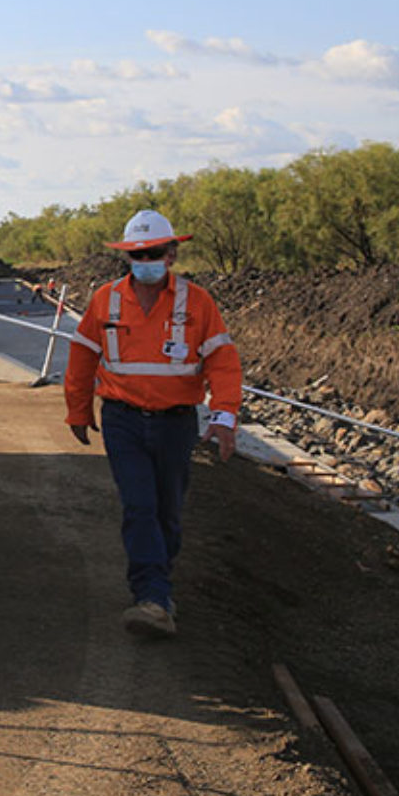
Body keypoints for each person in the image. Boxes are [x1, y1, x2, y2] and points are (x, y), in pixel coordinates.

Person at [64, 209, 241, 638]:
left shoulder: (197, 303)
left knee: (168, 513)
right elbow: (83, 356)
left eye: (154, 253)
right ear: (127, 256)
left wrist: (224, 416)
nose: (145, 260)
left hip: (176, 423)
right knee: (139, 506)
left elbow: (222, 361)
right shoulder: (105, 300)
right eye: (137, 254)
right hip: (123, 419)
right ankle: (152, 598)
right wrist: (78, 409)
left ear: (171, 254)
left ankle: (159, 583)